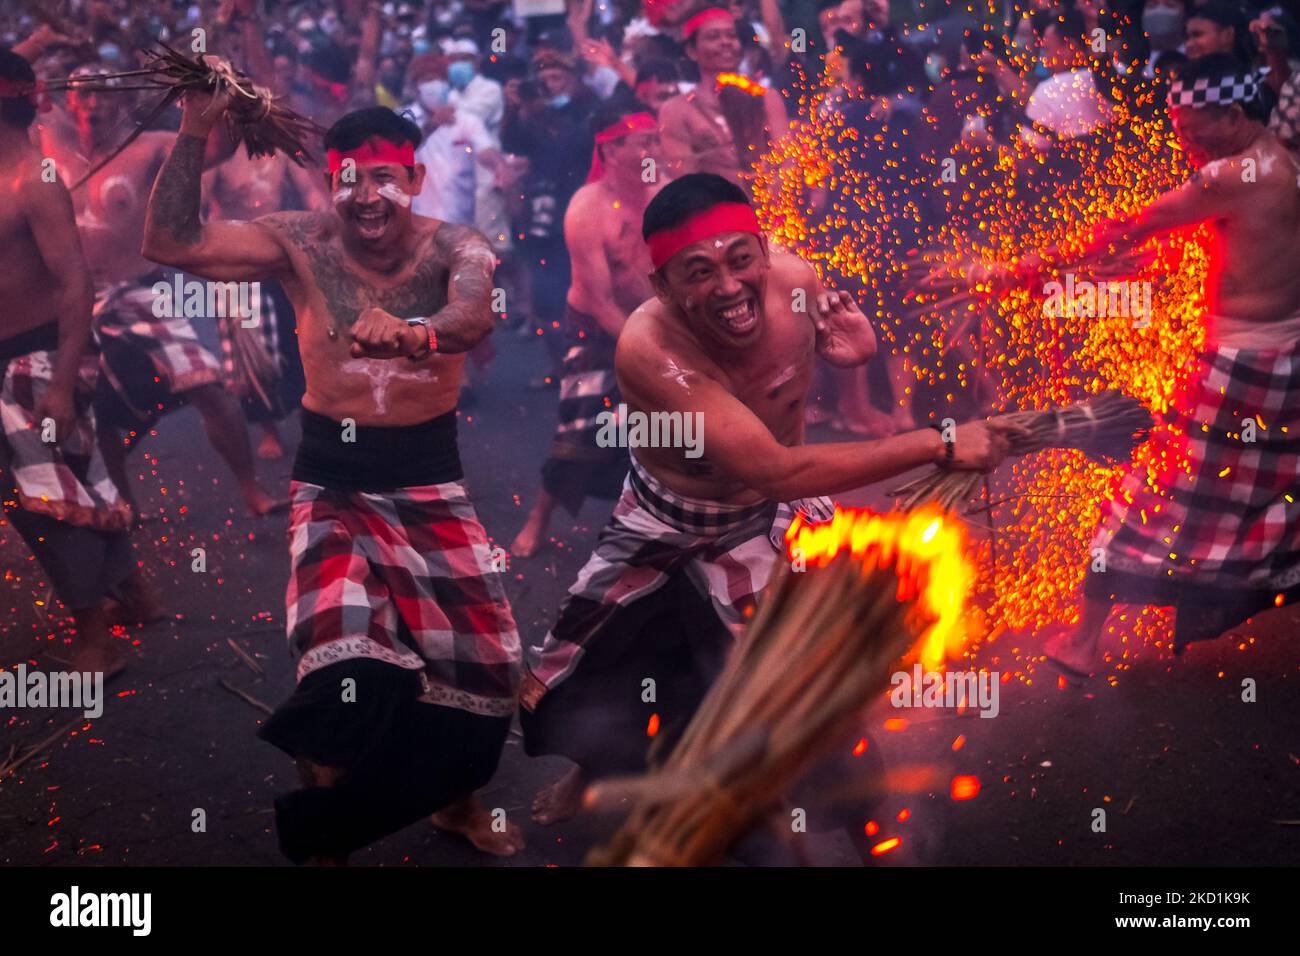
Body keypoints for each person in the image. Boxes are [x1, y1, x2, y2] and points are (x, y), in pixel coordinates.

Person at [520, 173, 1018, 822]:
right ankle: (591, 771)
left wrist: (854, 355)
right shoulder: (649, 350)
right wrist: (940, 444)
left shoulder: (800, 284)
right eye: (697, 272)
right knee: (588, 658)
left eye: (740, 261)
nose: (727, 288)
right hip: (665, 516)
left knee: (807, 685)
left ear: (761, 248)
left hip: (764, 520)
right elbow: (779, 468)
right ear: (662, 288)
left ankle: (864, 833)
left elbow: (812, 375)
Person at [141, 99, 524, 862]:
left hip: (427, 478)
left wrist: (418, 334)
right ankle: (327, 834)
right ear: (330, 184)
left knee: (478, 668)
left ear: (414, 178)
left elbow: (476, 314)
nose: (368, 195)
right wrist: (194, 128)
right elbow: (168, 240)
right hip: (332, 480)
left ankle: (457, 799)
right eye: (350, 180)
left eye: (386, 178)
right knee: (343, 659)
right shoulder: (297, 241)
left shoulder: (459, 245)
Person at [1014, 54, 1300, 673]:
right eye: (1179, 133)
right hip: (1284, 366)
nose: (1187, 146)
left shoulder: (1234, 175)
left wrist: (1016, 270)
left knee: (1142, 500)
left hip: (1239, 374)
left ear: (1233, 113)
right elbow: (1236, 243)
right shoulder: (1281, 158)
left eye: (1197, 133)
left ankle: (1084, 643)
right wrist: (1142, 266)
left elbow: (1129, 224)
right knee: (1272, 506)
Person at [39, 65, 281, 517]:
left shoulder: (148, 148)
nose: (95, 104)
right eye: (85, 95)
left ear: (118, 100)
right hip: (69, 302)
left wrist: (221, 98)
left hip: (136, 294)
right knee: (95, 410)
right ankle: (125, 504)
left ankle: (251, 491)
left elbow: (211, 149)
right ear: (70, 101)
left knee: (208, 384)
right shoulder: (50, 149)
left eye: (103, 94)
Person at [0, 48, 153, 677]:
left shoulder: (33, 181)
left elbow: (75, 285)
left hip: (41, 357)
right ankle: (136, 592)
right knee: (65, 489)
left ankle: (98, 636)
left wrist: (61, 385)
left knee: (42, 499)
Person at [511, 99, 666, 557]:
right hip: (597, 333)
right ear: (612, 150)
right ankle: (538, 519)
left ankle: (659, 524)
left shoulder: (666, 194)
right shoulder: (587, 208)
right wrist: (649, 348)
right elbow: (599, 302)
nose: (656, 149)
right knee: (580, 431)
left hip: (656, 325)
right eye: (645, 143)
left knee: (670, 429)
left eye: (657, 140)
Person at [658, 7, 788, 190]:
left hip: (772, 211)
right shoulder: (676, 110)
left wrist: (771, 198)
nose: (726, 42)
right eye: (713, 36)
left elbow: (787, 160)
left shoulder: (766, 98)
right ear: (691, 51)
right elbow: (685, 181)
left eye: (731, 36)